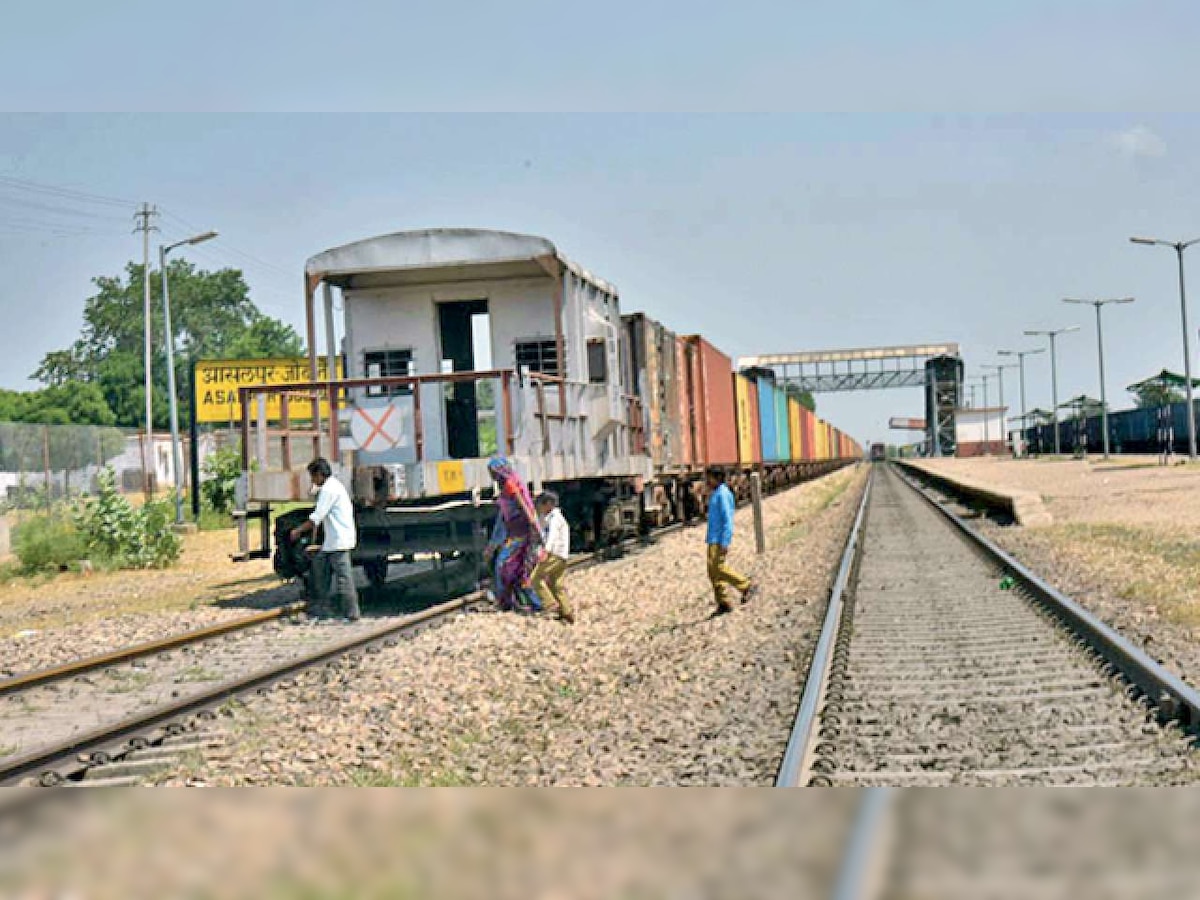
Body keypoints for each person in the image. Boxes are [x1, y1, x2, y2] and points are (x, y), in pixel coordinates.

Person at [289, 458, 361, 622]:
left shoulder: (329, 490)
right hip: (333, 541)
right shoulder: (334, 486)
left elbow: (316, 517)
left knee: (343, 578)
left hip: (338, 541)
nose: (313, 480)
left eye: (313, 476)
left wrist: (297, 531)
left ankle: (351, 613)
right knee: (320, 571)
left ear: (320, 474)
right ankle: (321, 609)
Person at [484, 456, 543, 614]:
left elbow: (522, 504)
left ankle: (508, 602)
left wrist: (533, 526)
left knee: (504, 565)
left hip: (521, 533)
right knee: (517, 569)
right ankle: (527, 603)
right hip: (515, 532)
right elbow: (504, 516)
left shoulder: (510, 484)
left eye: (492, 471)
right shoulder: (505, 485)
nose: (491, 475)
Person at [705, 467, 758, 614]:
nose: (707, 481)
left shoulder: (722, 494)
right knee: (712, 571)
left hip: (718, 539)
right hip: (712, 538)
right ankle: (723, 602)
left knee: (719, 568)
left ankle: (746, 585)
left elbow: (728, 520)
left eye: (709, 478)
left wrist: (725, 541)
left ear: (716, 478)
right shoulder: (716, 493)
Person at [531, 491, 574, 624]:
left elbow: (552, 537)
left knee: (535, 578)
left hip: (554, 553)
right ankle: (567, 613)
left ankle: (550, 603)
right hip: (562, 555)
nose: (539, 508)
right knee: (557, 584)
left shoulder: (555, 519)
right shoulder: (549, 517)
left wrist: (546, 551)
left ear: (548, 504)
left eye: (540, 505)